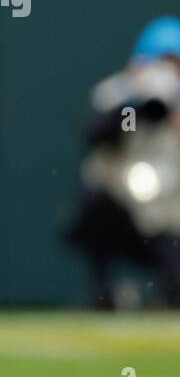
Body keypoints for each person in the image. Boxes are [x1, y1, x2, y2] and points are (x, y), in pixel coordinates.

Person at [66, 17, 180, 307]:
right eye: (160, 62)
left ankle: (168, 298)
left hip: (168, 216)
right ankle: (102, 294)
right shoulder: (117, 93)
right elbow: (95, 135)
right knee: (94, 208)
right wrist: (135, 105)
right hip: (120, 207)